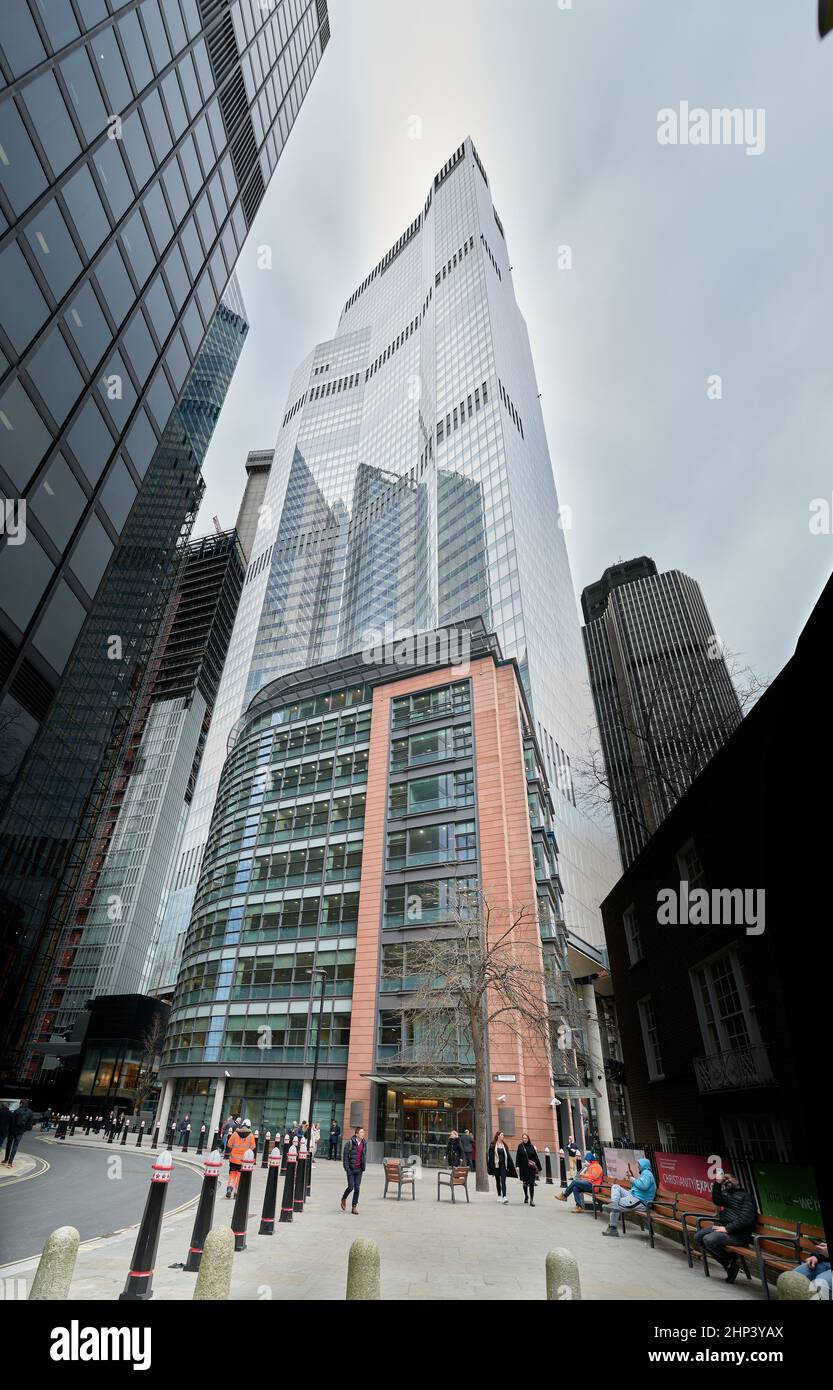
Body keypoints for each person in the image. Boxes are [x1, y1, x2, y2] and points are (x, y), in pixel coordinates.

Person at [693, 1171, 757, 1282]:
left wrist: (728, 1228)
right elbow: (716, 1200)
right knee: (698, 1237)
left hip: (739, 1234)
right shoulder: (726, 1194)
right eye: (725, 1179)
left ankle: (730, 1262)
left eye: (729, 1179)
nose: (726, 1181)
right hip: (723, 1228)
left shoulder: (746, 1197)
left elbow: (746, 1219)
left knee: (708, 1239)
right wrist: (718, 1183)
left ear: (737, 1181)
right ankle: (729, 1261)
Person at [602, 1157, 657, 1235]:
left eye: (639, 1165)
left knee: (617, 1204)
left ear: (644, 1165)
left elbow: (644, 1186)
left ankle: (612, 1228)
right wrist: (631, 1178)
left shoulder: (647, 1173)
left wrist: (633, 1179)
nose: (638, 1166)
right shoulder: (644, 1173)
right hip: (634, 1196)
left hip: (640, 1201)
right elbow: (636, 1187)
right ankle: (614, 1203)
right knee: (615, 1186)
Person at [225, 1118, 254, 1198]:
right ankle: (236, 1192)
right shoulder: (251, 1136)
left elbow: (229, 1145)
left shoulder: (235, 1134)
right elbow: (253, 1147)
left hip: (233, 1159)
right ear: (249, 1126)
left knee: (232, 1174)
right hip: (243, 1161)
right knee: (239, 1176)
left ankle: (229, 1188)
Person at [341, 1126, 367, 1213]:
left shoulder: (364, 1143)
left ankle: (354, 1207)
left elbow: (364, 1156)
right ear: (356, 1134)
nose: (363, 1134)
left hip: (359, 1169)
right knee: (351, 1187)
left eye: (363, 1132)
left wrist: (363, 1166)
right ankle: (344, 1198)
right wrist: (347, 1168)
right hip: (351, 1169)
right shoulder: (349, 1143)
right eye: (361, 1132)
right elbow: (345, 1157)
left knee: (357, 1188)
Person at [4, 1100, 37, 1166]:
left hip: (12, 1132)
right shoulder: (30, 1112)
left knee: (9, 1145)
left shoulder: (16, 1111)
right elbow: (29, 1125)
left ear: (21, 1104)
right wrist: (23, 1130)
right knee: (15, 1146)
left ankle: (6, 1159)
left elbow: (12, 1123)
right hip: (20, 1132)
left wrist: (9, 1131)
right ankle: (10, 1162)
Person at [487, 1130, 517, 1203]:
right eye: (502, 1135)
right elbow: (490, 1157)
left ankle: (504, 1196)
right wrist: (491, 1168)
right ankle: (499, 1196)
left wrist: (510, 1166)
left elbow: (508, 1156)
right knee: (498, 1181)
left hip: (504, 1165)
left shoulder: (504, 1145)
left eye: (503, 1135)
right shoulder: (493, 1145)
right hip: (496, 1166)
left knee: (503, 1181)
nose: (503, 1136)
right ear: (498, 1136)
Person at [515, 1132, 542, 1206]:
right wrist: (517, 1166)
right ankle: (526, 1196)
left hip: (531, 1168)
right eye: (523, 1138)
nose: (524, 1139)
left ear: (528, 1138)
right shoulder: (520, 1146)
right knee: (525, 1183)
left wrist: (539, 1168)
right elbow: (518, 1156)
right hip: (523, 1168)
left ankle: (532, 1200)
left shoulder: (531, 1146)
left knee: (532, 1183)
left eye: (526, 1138)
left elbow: (536, 1157)